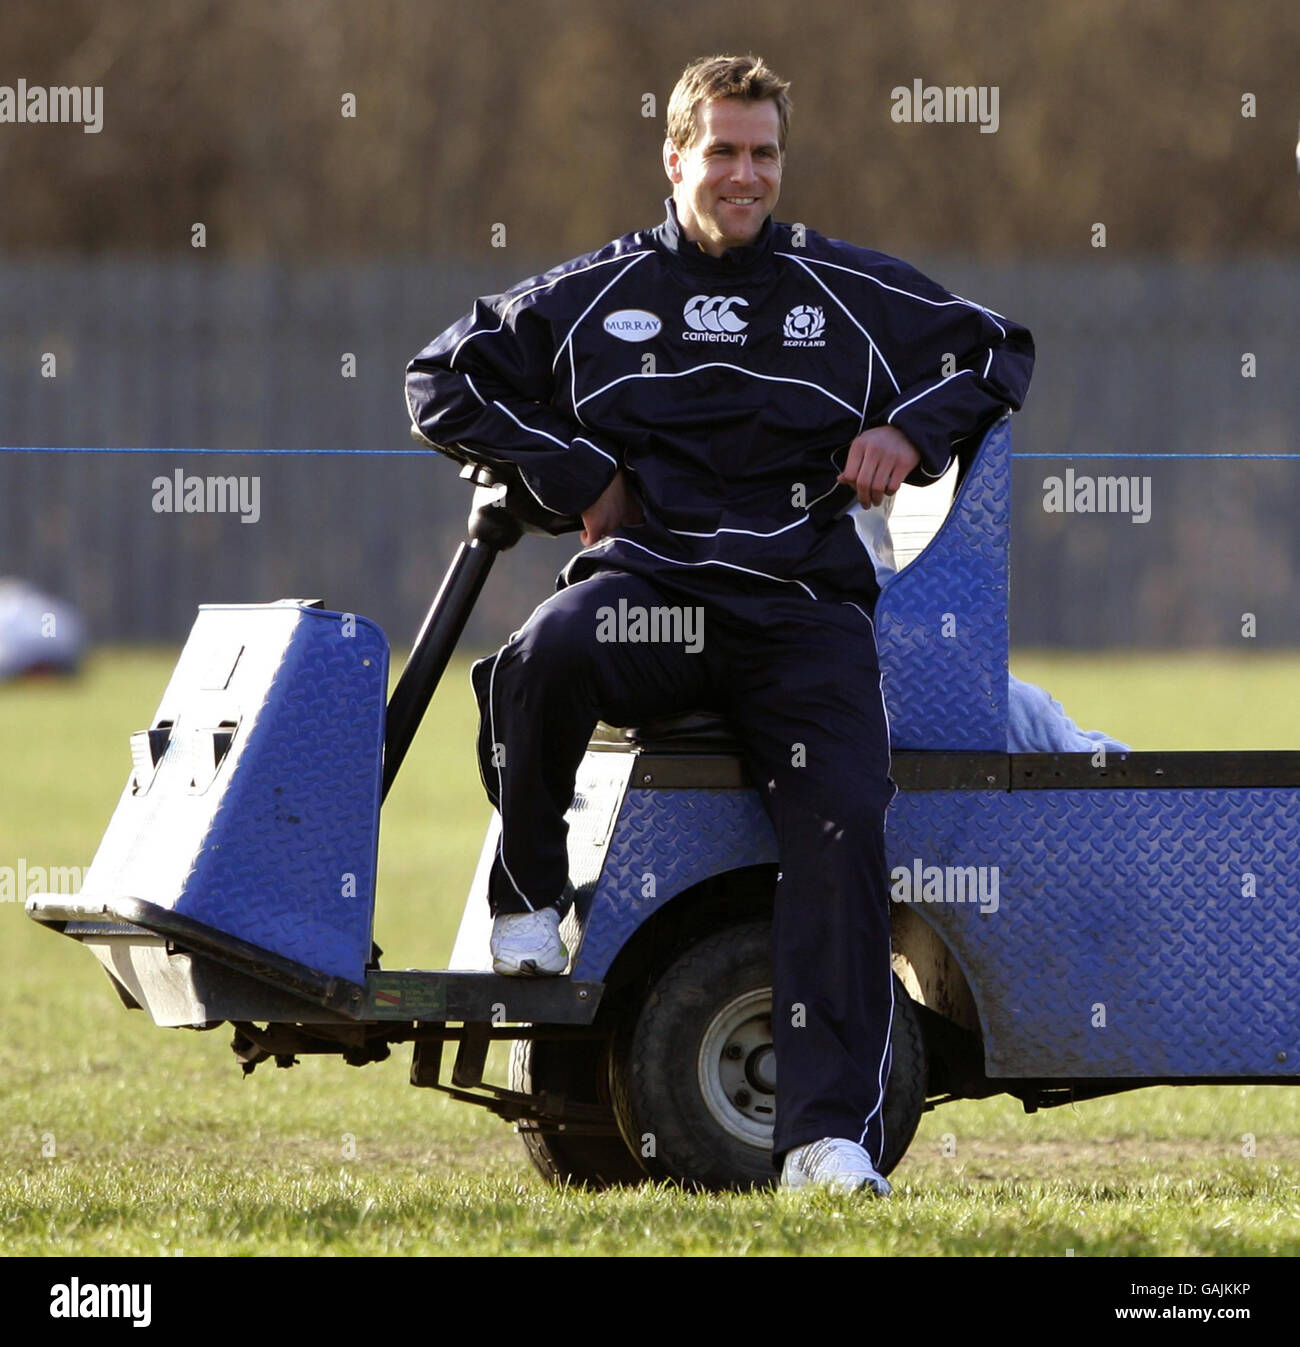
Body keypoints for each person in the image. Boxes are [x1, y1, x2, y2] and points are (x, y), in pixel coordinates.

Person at [406, 54, 1034, 1194]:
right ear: (675, 157)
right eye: (723, 152)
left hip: (799, 612)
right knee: (539, 657)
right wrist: (574, 471)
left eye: (764, 154)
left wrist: (913, 432)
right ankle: (531, 900)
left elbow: (997, 349)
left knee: (843, 821)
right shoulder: (597, 293)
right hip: (655, 598)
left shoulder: (840, 290)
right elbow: (441, 379)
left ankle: (826, 1139)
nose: (744, 176)